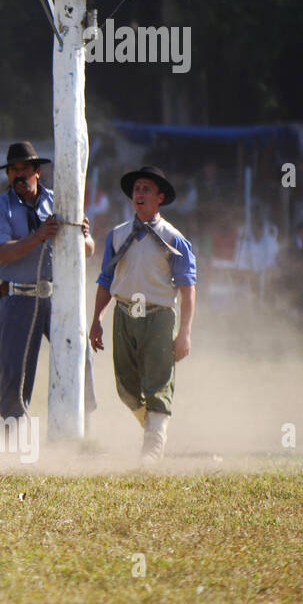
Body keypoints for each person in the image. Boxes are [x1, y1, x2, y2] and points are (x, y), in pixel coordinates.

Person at [90, 165, 197, 463]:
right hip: (124, 314)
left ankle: (153, 446)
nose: (139, 194)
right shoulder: (117, 235)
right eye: (137, 189)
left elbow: (188, 288)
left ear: (160, 197)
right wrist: (97, 318)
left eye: (146, 189)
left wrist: (184, 333)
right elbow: (105, 281)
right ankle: (152, 427)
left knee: (158, 382)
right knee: (126, 387)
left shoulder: (173, 239)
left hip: (158, 316)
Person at [0, 142, 95, 420]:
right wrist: (39, 236)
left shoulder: (59, 202)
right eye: (13, 170)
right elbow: (2, 253)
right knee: (15, 370)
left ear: (37, 172)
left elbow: (89, 250)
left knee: (79, 357)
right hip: (18, 296)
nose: (18, 175)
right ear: (7, 174)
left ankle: (80, 427)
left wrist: (84, 235)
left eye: (24, 169)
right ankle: (11, 435)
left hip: (57, 296)